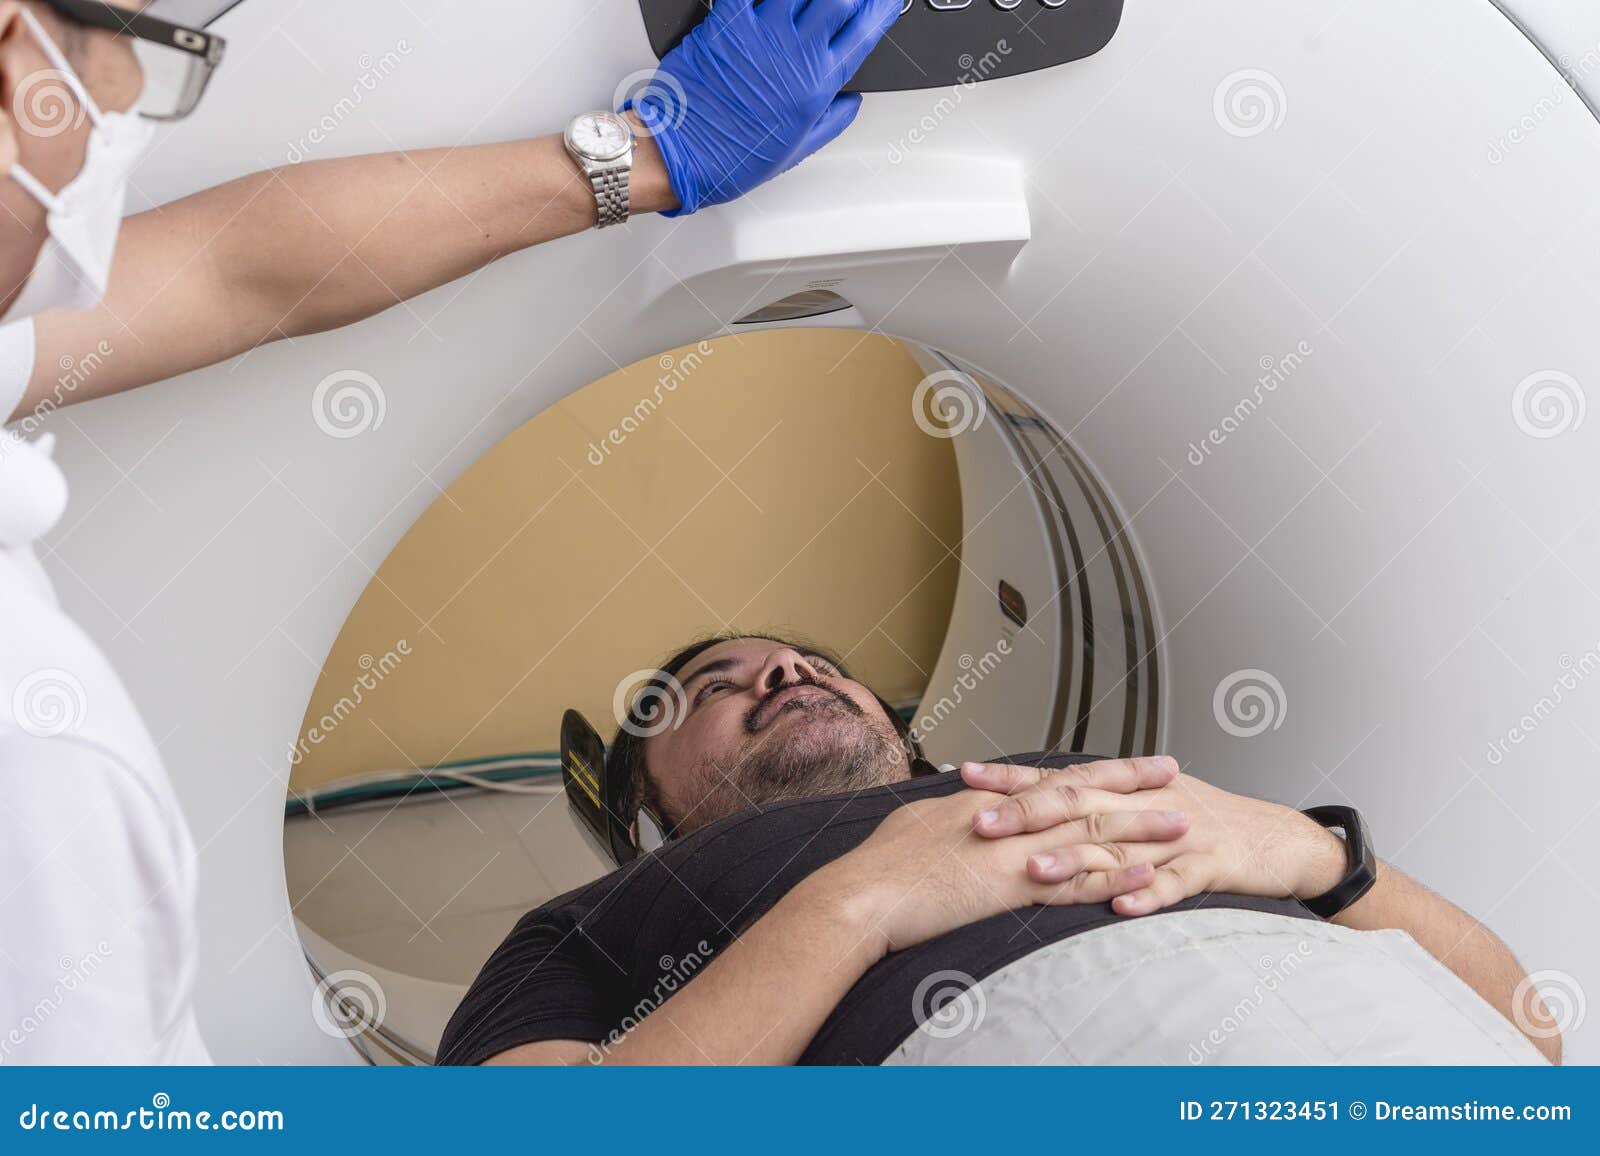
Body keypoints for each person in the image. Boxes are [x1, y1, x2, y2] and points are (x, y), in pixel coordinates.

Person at [0, 0, 904, 1063]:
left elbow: (237, 268)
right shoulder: (40, 756)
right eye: (134, 57)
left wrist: (654, 154)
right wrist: (884, 892)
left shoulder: (1055, 785)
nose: (785, 672)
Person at [437, 633, 1560, 1066]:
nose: (781, 672)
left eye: (807, 661)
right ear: (650, 816)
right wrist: (863, 899)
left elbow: (1531, 1038)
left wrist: (1316, 857)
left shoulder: (1078, 770)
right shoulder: (596, 920)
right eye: (712, 688)